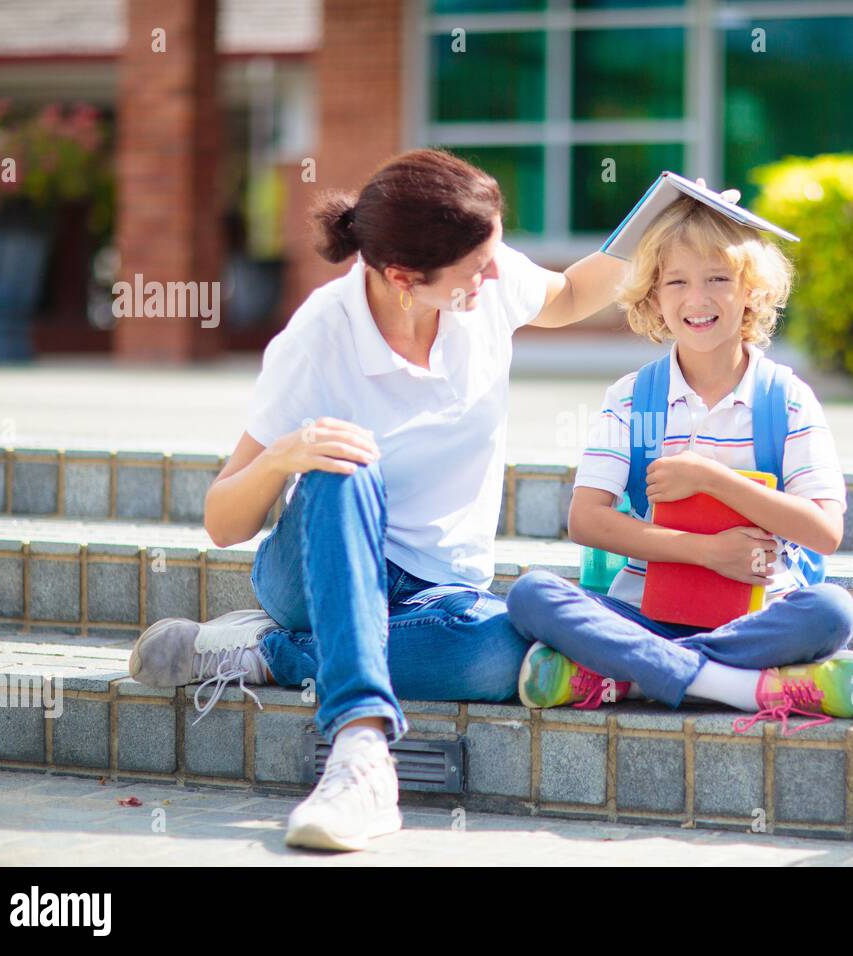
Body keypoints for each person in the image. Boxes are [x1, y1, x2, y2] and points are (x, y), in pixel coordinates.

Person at [128, 148, 634, 851]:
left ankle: (274, 654)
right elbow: (224, 518)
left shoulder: (488, 278)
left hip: (436, 590)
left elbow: (573, 295)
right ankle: (360, 752)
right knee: (345, 461)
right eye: (477, 269)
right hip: (316, 567)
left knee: (504, 653)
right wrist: (286, 454)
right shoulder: (321, 335)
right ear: (402, 278)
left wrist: (662, 218)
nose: (498, 275)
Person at [505, 196, 853, 734]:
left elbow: (824, 530)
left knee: (832, 612)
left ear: (751, 292)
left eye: (718, 280)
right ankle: (742, 686)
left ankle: (630, 675)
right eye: (676, 282)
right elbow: (588, 520)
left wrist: (712, 478)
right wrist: (706, 551)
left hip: (757, 617)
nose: (697, 299)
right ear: (654, 297)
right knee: (530, 595)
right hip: (643, 613)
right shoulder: (636, 399)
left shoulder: (786, 399)